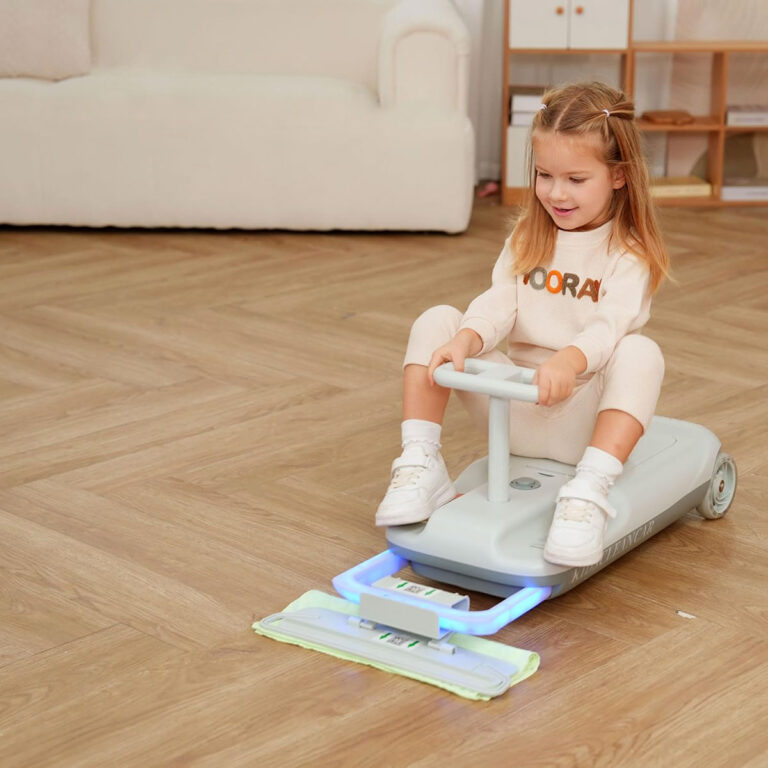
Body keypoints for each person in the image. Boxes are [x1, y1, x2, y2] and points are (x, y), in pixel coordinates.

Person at [375, 81, 670, 568]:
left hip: (580, 418)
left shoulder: (629, 254)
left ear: (618, 176)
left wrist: (569, 361)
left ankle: (589, 493)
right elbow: (501, 300)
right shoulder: (527, 235)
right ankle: (421, 461)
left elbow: (607, 325)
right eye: (545, 175)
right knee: (439, 321)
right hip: (513, 408)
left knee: (642, 353)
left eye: (576, 179)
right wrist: (467, 338)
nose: (556, 192)